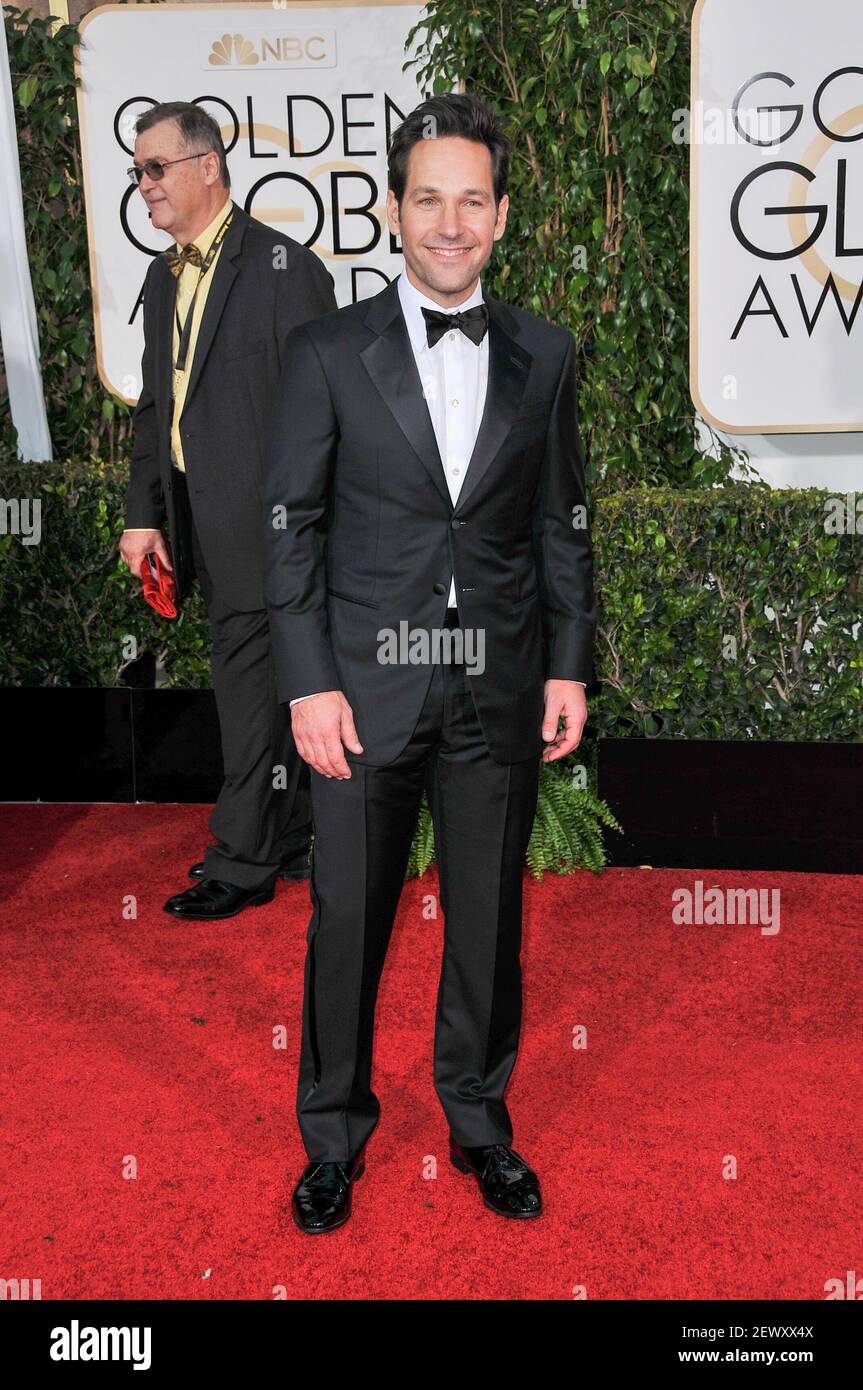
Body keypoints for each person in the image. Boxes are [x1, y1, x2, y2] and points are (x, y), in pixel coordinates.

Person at [262, 93, 597, 1231]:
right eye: (425, 199)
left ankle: (478, 1118)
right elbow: (287, 525)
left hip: (493, 679)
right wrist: (307, 679)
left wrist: (565, 664)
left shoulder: (545, 354)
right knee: (346, 917)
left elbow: (560, 521)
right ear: (392, 210)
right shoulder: (326, 350)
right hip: (358, 687)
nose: (447, 223)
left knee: (488, 917)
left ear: (501, 215)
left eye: (470, 200)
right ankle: (331, 1132)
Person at [119, 101, 337, 921]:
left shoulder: (284, 267)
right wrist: (145, 514)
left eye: (155, 168)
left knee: (251, 697)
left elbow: (327, 411)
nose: (144, 187)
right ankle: (291, 837)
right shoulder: (160, 273)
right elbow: (156, 409)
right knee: (267, 690)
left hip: (276, 534)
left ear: (208, 166)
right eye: (138, 171)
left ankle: (240, 862)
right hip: (200, 529)